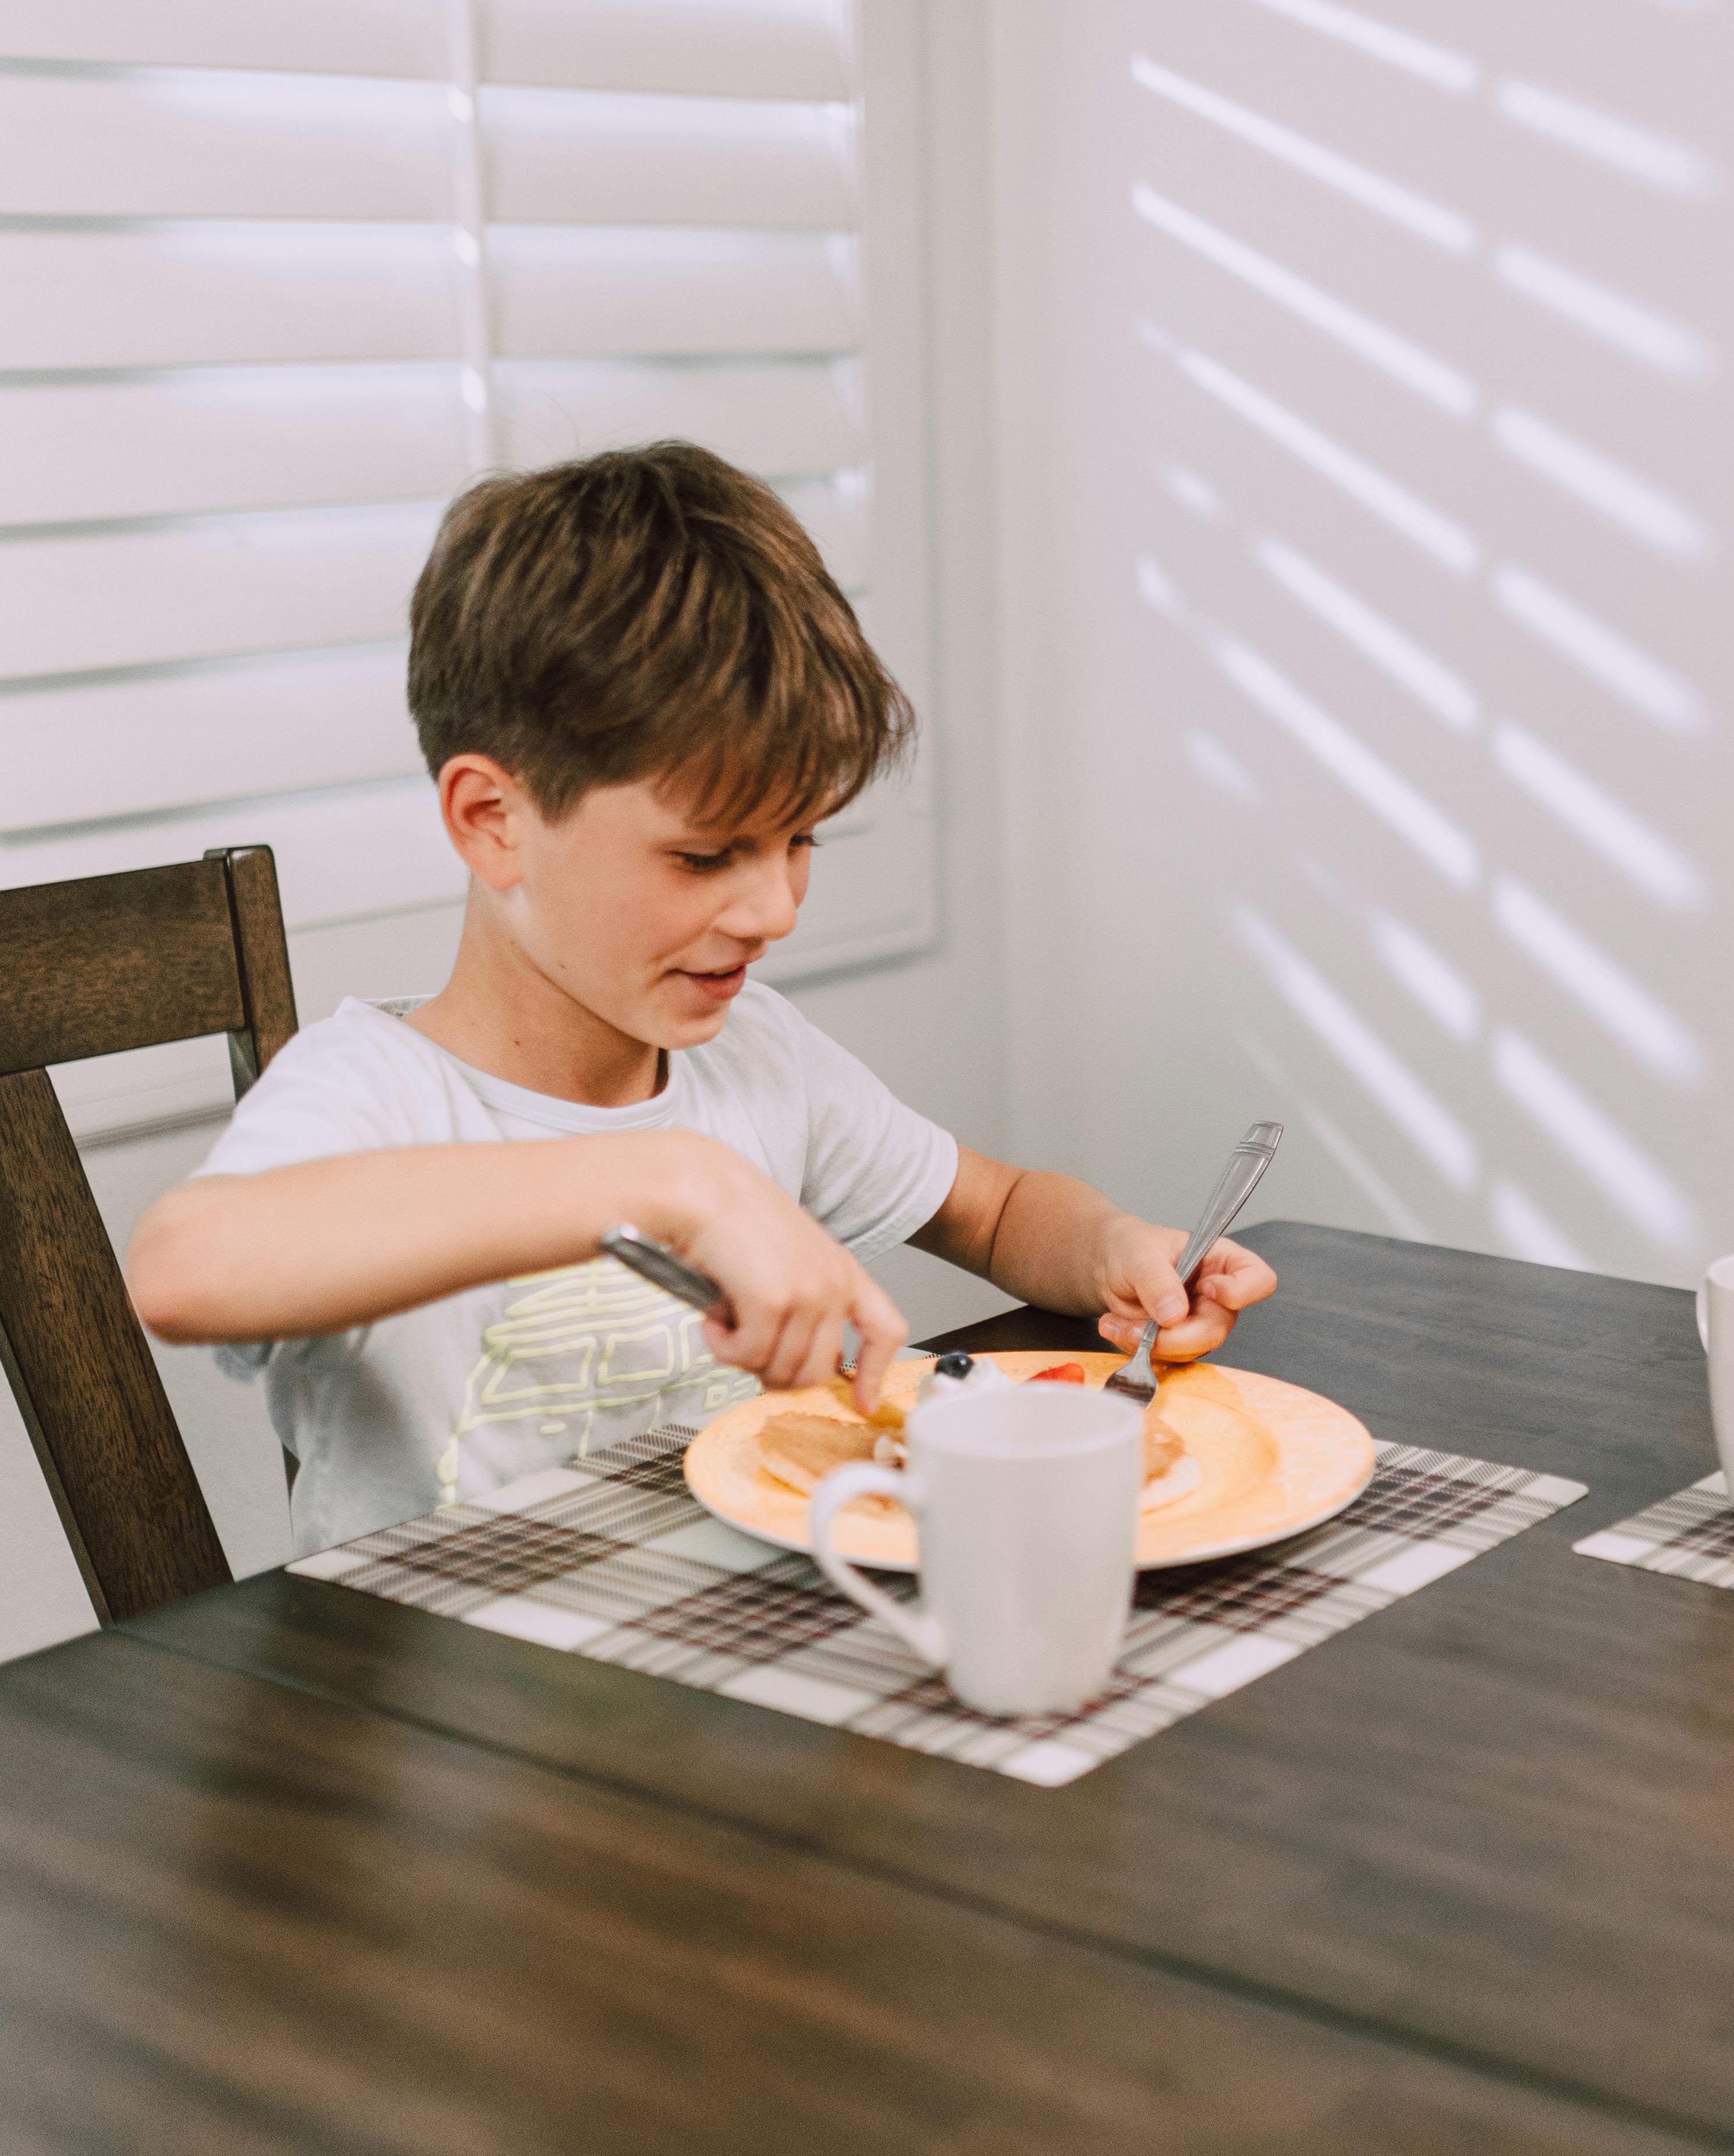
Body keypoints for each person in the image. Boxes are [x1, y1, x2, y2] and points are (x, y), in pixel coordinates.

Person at [127, 442, 1274, 1553]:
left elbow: (997, 1208)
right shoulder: (376, 1093)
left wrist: (1118, 1250)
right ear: (495, 823)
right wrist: (667, 1181)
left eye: (799, 838)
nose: (774, 908)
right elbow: (183, 1267)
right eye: (704, 856)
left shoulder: (756, 1060)